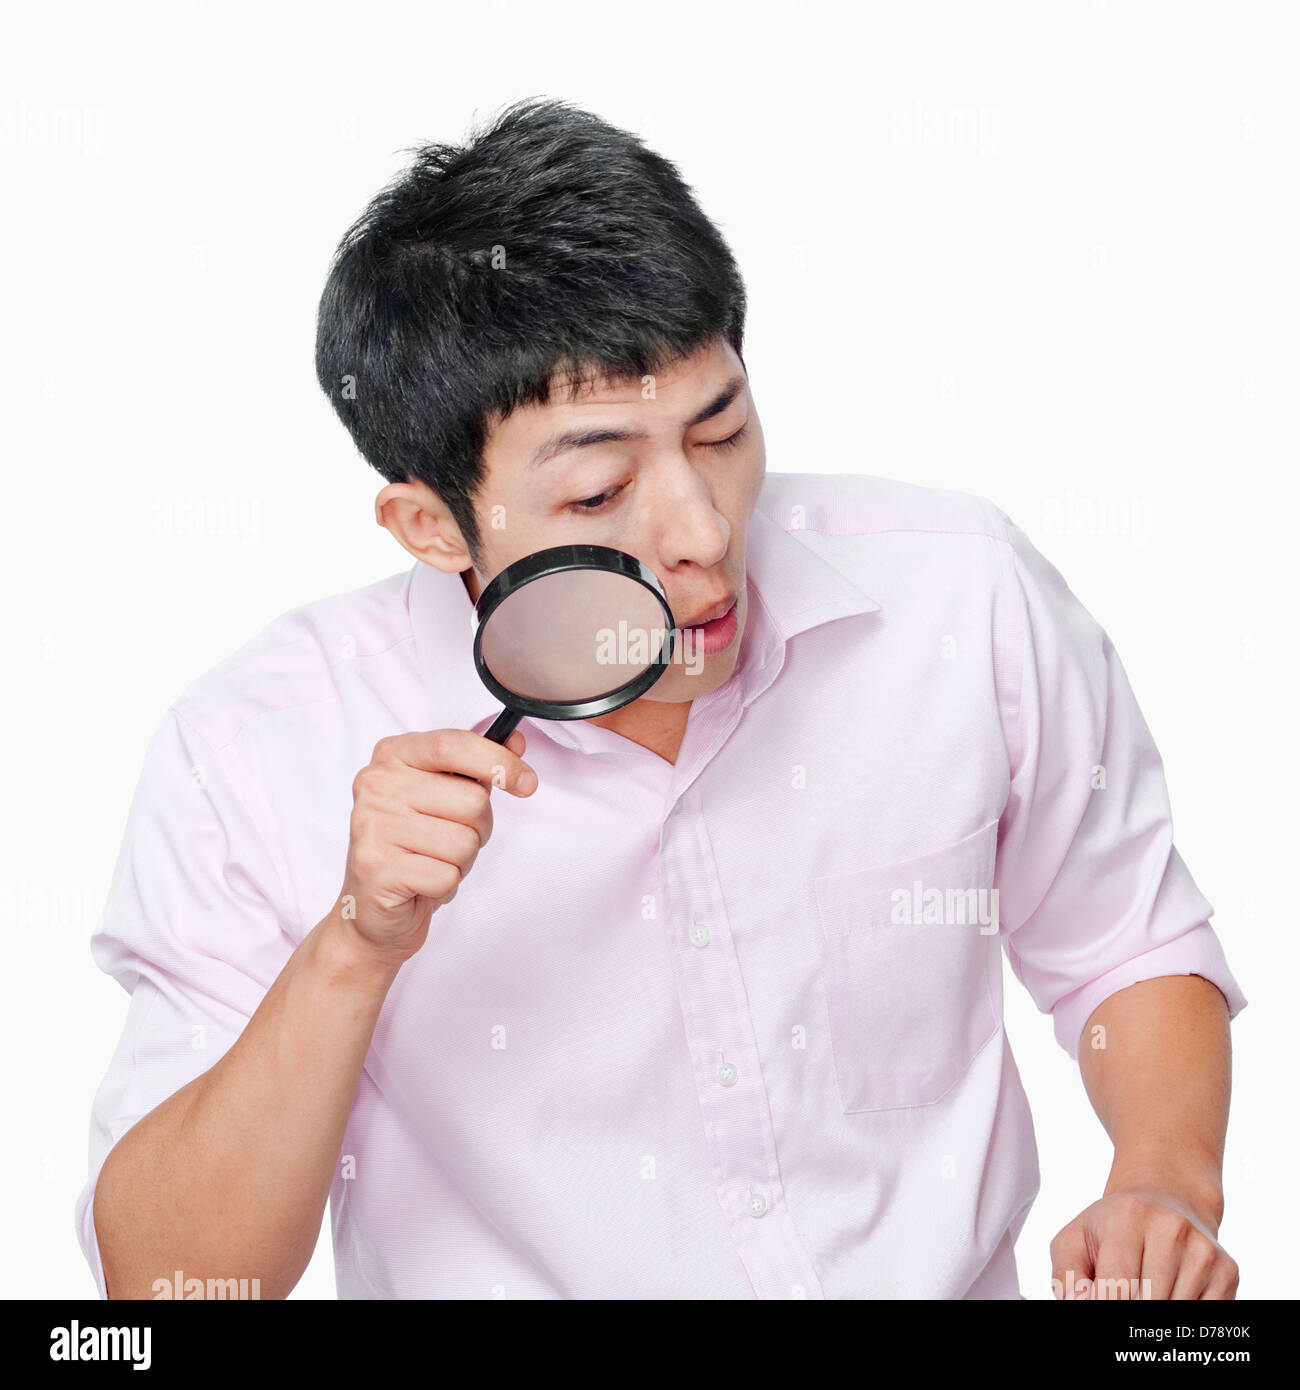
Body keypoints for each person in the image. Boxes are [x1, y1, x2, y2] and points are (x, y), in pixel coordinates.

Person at [76, 97, 1247, 1301]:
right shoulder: (254, 748)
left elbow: (1123, 941)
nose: (703, 531)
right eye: (596, 493)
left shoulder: (961, 591)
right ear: (432, 525)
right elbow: (166, 1286)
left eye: (721, 429)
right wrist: (353, 950)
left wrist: (1163, 1181)